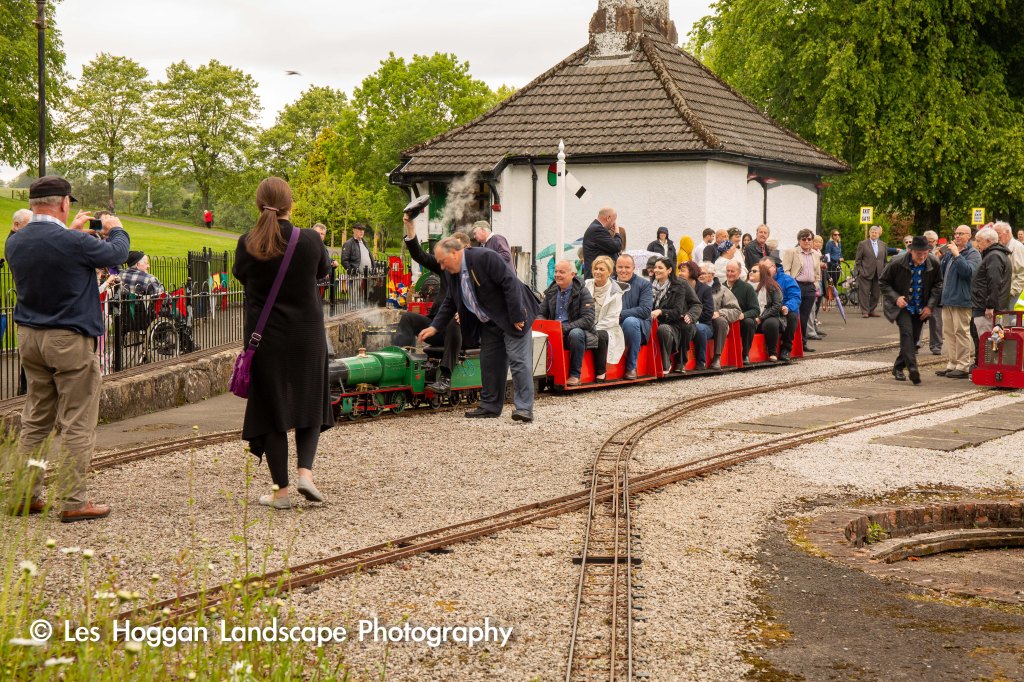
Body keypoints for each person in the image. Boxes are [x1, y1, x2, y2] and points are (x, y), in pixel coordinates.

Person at [5, 175, 129, 521]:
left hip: (30, 338)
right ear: (63, 203)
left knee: (37, 420)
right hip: (69, 339)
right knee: (77, 419)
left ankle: (25, 494)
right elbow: (117, 252)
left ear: (33, 204)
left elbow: (55, 251)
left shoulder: (14, 242)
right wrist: (115, 227)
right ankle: (74, 500)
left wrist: (73, 232)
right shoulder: (73, 244)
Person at [232, 177, 333, 509]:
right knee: (309, 403)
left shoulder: (248, 243)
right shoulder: (309, 240)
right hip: (308, 336)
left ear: (258, 204)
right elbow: (323, 273)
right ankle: (306, 473)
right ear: (292, 204)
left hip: (266, 340)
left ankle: (282, 492)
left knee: (271, 410)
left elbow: (242, 276)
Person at [418, 237, 538, 422]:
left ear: (454, 253)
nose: (441, 267)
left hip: (513, 316)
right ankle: (490, 406)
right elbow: (451, 301)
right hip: (490, 321)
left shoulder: (485, 257)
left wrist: (517, 316)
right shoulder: (452, 273)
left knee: (518, 361)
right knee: (489, 363)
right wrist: (434, 327)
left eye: (442, 261)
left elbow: (510, 282)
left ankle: (524, 409)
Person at [395, 216, 470, 393]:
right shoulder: (445, 266)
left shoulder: (476, 271)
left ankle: (445, 377)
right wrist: (410, 228)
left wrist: (465, 312)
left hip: (462, 331)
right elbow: (419, 255)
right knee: (407, 318)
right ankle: (401, 361)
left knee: (455, 320)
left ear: (466, 248)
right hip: (436, 327)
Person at [879, 236, 942, 384]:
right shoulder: (896, 262)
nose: (922, 256)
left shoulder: (933, 262)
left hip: (920, 307)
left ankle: (898, 367)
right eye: (919, 253)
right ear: (910, 251)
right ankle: (913, 369)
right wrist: (895, 297)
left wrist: (930, 306)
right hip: (903, 307)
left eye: (925, 253)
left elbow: (938, 285)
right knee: (907, 334)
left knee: (913, 340)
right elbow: (883, 282)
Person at [539, 260, 595, 386]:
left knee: (576, 334)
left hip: (576, 331)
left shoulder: (583, 292)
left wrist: (564, 328)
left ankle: (575, 375)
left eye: (562, 272)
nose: (557, 275)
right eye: (556, 271)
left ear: (573, 274)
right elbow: (540, 312)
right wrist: (545, 325)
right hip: (554, 330)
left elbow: (588, 319)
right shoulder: (551, 291)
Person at [935, 225, 980, 379]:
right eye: (956, 233)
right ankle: (952, 363)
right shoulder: (949, 252)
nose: (957, 236)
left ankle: (963, 365)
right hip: (947, 298)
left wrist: (957, 255)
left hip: (962, 300)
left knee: (961, 332)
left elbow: (968, 273)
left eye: (961, 234)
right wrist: (940, 256)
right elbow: (941, 273)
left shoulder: (973, 254)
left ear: (969, 236)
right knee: (948, 333)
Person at [650, 257, 701, 374]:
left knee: (681, 326)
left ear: (669, 270)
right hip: (656, 321)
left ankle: (677, 361)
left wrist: (691, 315)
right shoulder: (650, 286)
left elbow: (697, 304)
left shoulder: (681, 284)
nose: (656, 270)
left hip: (678, 321)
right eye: (655, 267)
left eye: (660, 267)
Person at [970, 227, 1012, 362]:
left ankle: (990, 368)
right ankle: (988, 367)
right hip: (988, 306)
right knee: (991, 339)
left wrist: (990, 305)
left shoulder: (994, 256)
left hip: (986, 308)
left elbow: (994, 283)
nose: (976, 244)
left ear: (988, 241)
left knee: (988, 340)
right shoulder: (997, 254)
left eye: (979, 241)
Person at [584, 256, 626, 381]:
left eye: (601, 269)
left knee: (600, 335)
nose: (597, 272)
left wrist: (593, 328)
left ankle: (601, 372)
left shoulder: (615, 291)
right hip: (586, 324)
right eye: (595, 268)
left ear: (609, 272)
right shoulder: (586, 285)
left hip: (607, 328)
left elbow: (612, 318)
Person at [781, 229, 821, 349]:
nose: (807, 241)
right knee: (794, 315)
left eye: (809, 239)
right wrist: (791, 284)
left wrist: (815, 284)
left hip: (810, 288)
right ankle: (790, 342)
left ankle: (803, 343)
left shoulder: (816, 254)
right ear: (799, 240)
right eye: (804, 239)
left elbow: (817, 272)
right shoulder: (792, 252)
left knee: (805, 317)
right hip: (796, 286)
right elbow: (786, 270)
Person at [615, 254, 652, 380]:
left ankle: (631, 367)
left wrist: (620, 315)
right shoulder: (609, 283)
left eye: (627, 267)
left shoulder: (644, 284)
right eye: (620, 267)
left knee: (630, 322)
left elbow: (645, 310)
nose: (623, 270)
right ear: (615, 267)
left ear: (634, 268)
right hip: (613, 323)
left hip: (637, 327)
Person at [698, 262, 741, 370]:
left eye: (703, 273)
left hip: (713, 323)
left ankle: (717, 357)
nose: (700, 275)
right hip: (697, 319)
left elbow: (736, 310)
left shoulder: (722, 290)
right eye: (698, 273)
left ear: (712, 275)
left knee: (720, 321)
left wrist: (720, 313)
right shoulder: (694, 287)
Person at [679, 260, 716, 370]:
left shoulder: (705, 289)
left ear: (691, 272)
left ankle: (701, 361)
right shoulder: (679, 287)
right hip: (685, 321)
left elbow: (708, 312)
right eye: (679, 271)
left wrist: (692, 318)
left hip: (704, 324)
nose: (680, 273)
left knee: (699, 329)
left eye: (683, 271)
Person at [763, 257, 803, 359]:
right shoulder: (758, 279)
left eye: (766, 268)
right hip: (767, 311)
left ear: (774, 267)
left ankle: (786, 348)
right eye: (762, 268)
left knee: (792, 315)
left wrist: (787, 307)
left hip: (782, 310)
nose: (764, 271)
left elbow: (795, 297)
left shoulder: (787, 279)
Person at [724, 260, 759, 364]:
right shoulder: (721, 287)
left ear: (739, 272)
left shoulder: (747, 288)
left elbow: (756, 310)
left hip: (741, 320)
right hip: (725, 319)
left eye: (732, 271)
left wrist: (743, 315)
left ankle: (745, 354)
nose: (729, 274)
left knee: (749, 322)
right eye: (728, 271)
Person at [752, 262, 785, 362]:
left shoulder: (772, 287)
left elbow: (777, 306)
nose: (751, 273)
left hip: (769, 317)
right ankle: (744, 354)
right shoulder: (748, 287)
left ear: (762, 273)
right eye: (750, 271)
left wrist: (761, 318)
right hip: (753, 316)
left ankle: (772, 352)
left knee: (771, 323)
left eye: (754, 271)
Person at [855, 225, 888, 317]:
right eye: (872, 232)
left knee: (876, 294)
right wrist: (861, 271)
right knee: (864, 293)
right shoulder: (863, 244)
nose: (874, 234)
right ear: (869, 233)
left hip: (879, 274)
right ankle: (865, 311)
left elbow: (885, 260)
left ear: (879, 234)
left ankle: (871, 310)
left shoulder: (883, 245)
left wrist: (884, 271)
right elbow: (858, 260)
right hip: (865, 273)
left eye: (875, 232)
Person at [992, 222, 1024, 314]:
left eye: (997, 233)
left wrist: (1011, 291)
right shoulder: (1002, 247)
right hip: (1004, 295)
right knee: (1004, 324)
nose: (996, 236)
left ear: (1007, 232)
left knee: (1012, 323)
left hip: (1013, 296)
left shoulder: (1017, 247)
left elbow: (1022, 274)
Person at [582, 207, 623, 278]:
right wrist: (617, 233)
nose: (614, 223)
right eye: (614, 219)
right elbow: (616, 247)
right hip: (597, 277)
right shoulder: (598, 229)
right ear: (608, 218)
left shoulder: (596, 228)